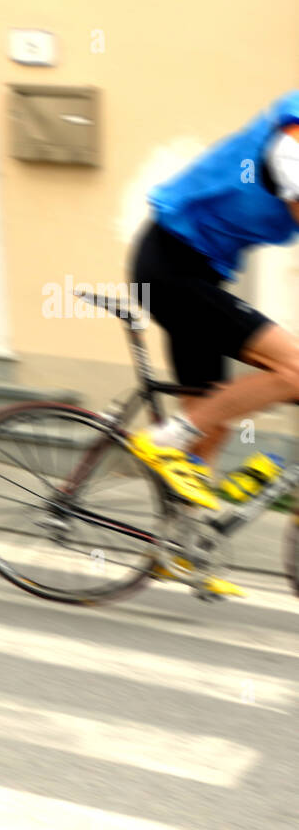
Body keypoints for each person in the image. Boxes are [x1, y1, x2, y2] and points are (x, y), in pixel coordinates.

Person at [125, 91, 299, 596]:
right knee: (293, 371)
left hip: (188, 271)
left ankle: (173, 550)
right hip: (171, 269)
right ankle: (162, 442)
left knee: (212, 423)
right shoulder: (291, 145)